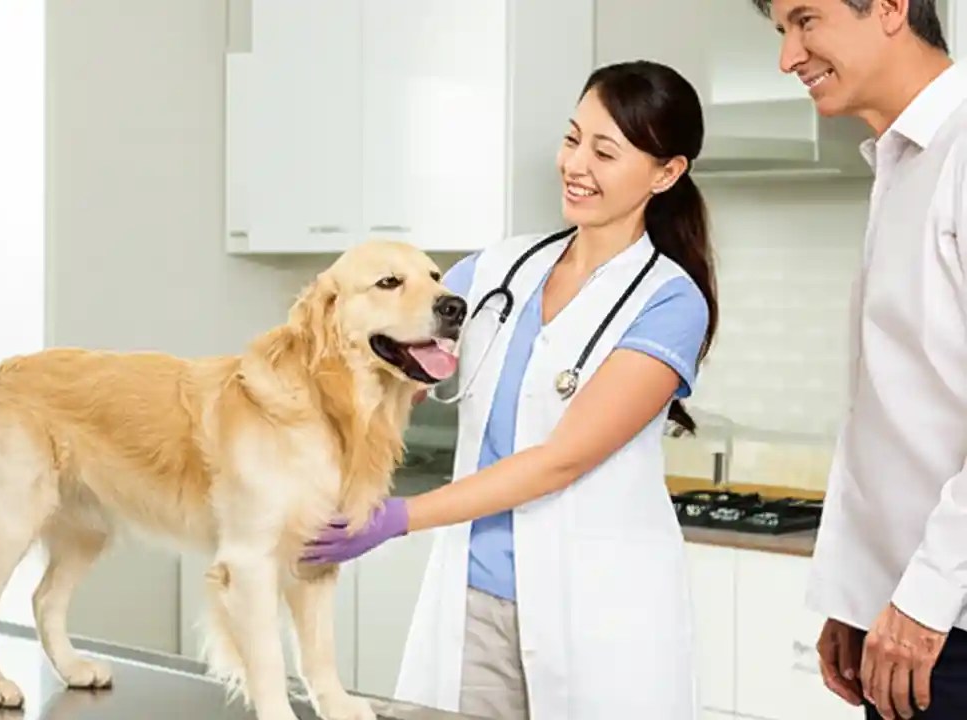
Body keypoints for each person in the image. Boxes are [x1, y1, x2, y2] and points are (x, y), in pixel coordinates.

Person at [301, 59, 717, 720]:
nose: (576, 164)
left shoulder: (669, 302)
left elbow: (563, 459)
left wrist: (397, 518)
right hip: (472, 601)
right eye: (573, 137)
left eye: (605, 151)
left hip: (599, 613)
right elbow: (387, 367)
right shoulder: (498, 269)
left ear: (665, 174)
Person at [747, 2, 967, 719]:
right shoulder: (901, 160)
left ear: (892, 6)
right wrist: (856, 591)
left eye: (805, 20)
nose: (789, 57)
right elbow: (891, 410)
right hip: (908, 611)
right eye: (781, 31)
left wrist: (924, 600)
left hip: (948, 618)